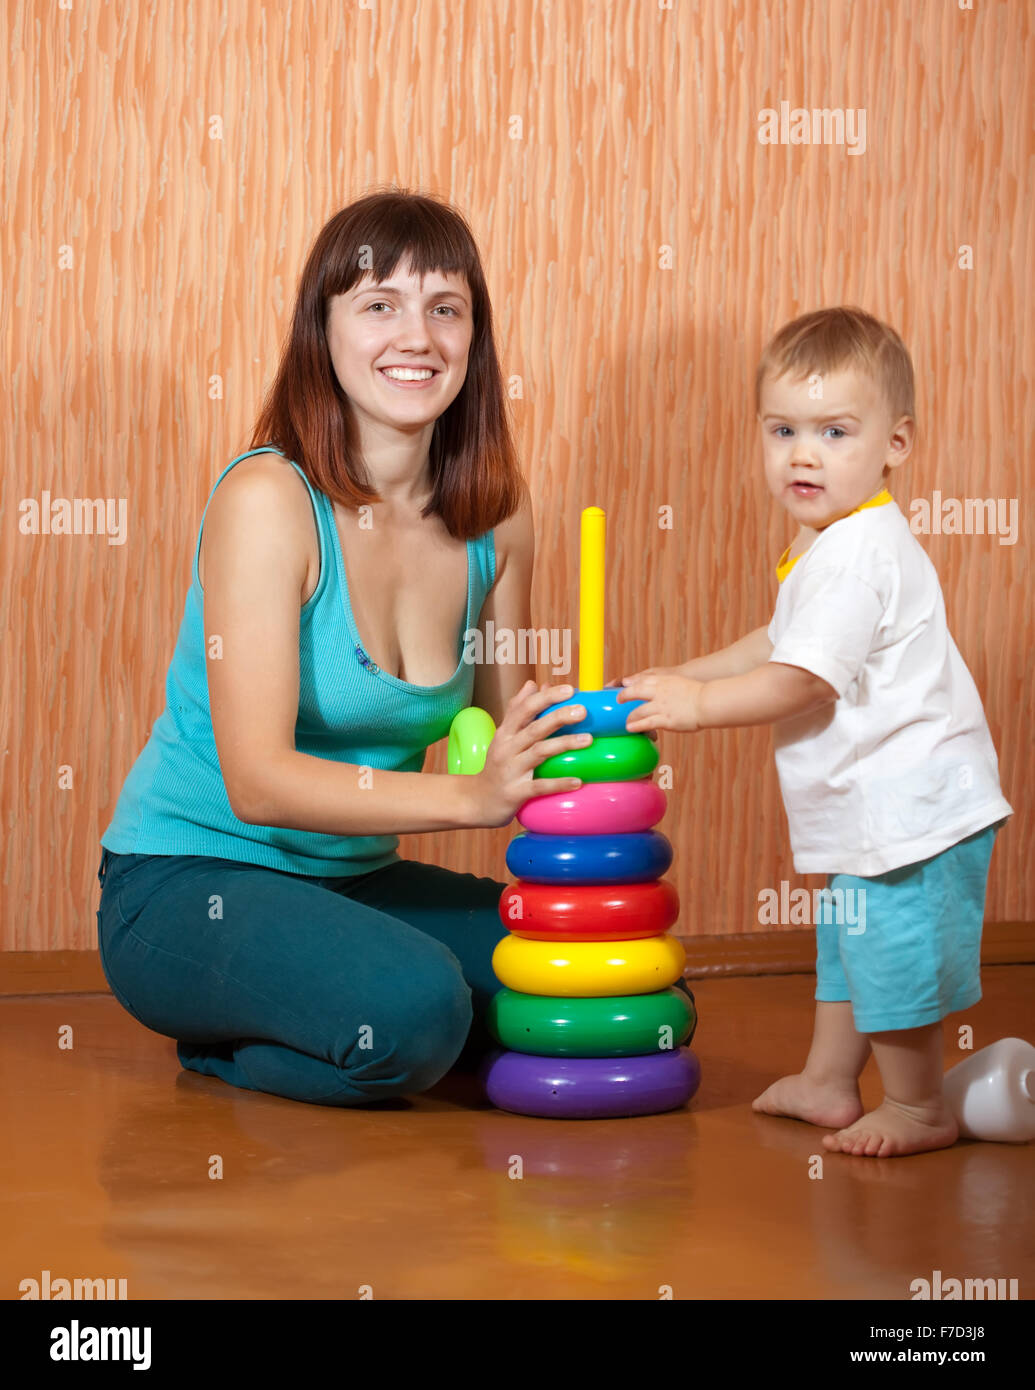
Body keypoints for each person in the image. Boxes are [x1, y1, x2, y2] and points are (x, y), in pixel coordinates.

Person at [96, 189, 599, 1106]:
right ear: (320, 333)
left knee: (611, 991)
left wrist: (594, 747)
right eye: (379, 305)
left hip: (351, 886)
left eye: (445, 308)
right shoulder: (268, 503)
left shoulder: (499, 515)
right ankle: (233, 1036)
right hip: (188, 884)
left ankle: (373, 1019)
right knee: (414, 1013)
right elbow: (257, 782)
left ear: (473, 340)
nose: (418, 336)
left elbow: (501, 728)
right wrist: (467, 797)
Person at [617, 306, 1012, 1157]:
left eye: (834, 432)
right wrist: (687, 673)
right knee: (848, 948)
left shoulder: (859, 554)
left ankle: (917, 1107)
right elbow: (775, 641)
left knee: (891, 968)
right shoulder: (827, 543)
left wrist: (695, 706)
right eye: (783, 429)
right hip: (875, 813)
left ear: (893, 446)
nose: (803, 453)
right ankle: (829, 1081)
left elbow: (802, 678)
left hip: (911, 815)